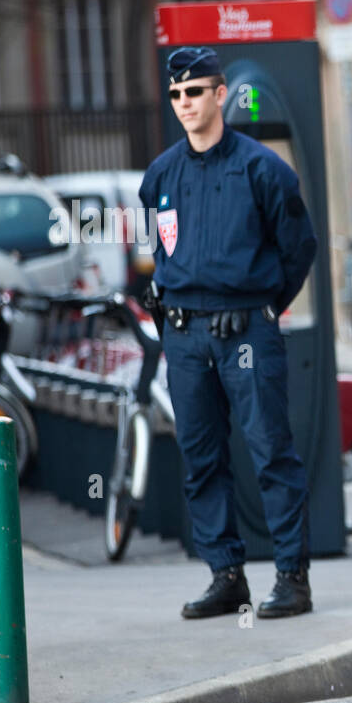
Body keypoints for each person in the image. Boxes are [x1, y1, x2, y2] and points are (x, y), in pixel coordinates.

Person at [138, 46, 318, 619]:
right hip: (184, 333)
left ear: (220, 95)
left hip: (245, 331)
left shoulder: (264, 169)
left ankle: (291, 576)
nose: (185, 103)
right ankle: (226, 574)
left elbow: (299, 248)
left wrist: (263, 307)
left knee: (270, 451)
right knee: (201, 456)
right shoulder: (161, 174)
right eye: (176, 95)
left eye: (195, 92)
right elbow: (162, 248)